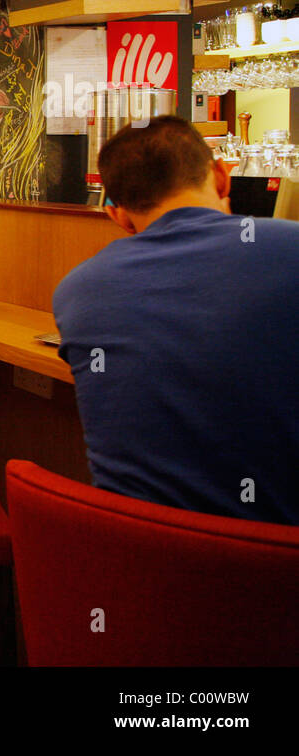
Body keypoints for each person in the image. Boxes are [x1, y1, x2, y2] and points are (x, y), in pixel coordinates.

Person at [54, 117, 299, 525]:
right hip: (276, 566)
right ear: (223, 177)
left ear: (118, 217)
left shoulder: (76, 289)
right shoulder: (289, 248)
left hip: (141, 560)